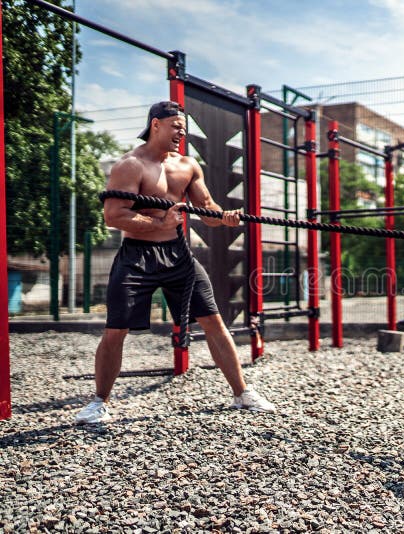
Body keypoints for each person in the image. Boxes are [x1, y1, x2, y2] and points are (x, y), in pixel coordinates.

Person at [76, 101, 275, 424]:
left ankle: (242, 393)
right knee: (116, 329)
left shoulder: (187, 165)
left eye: (184, 128)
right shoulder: (130, 165)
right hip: (137, 257)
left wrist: (224, 218)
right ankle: (99, 402)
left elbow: (207, 209)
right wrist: (157, 224)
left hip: (178, 255)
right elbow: (113, 216)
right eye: (175, 126)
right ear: (156, 124)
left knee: (213, 322)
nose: (181, 133)